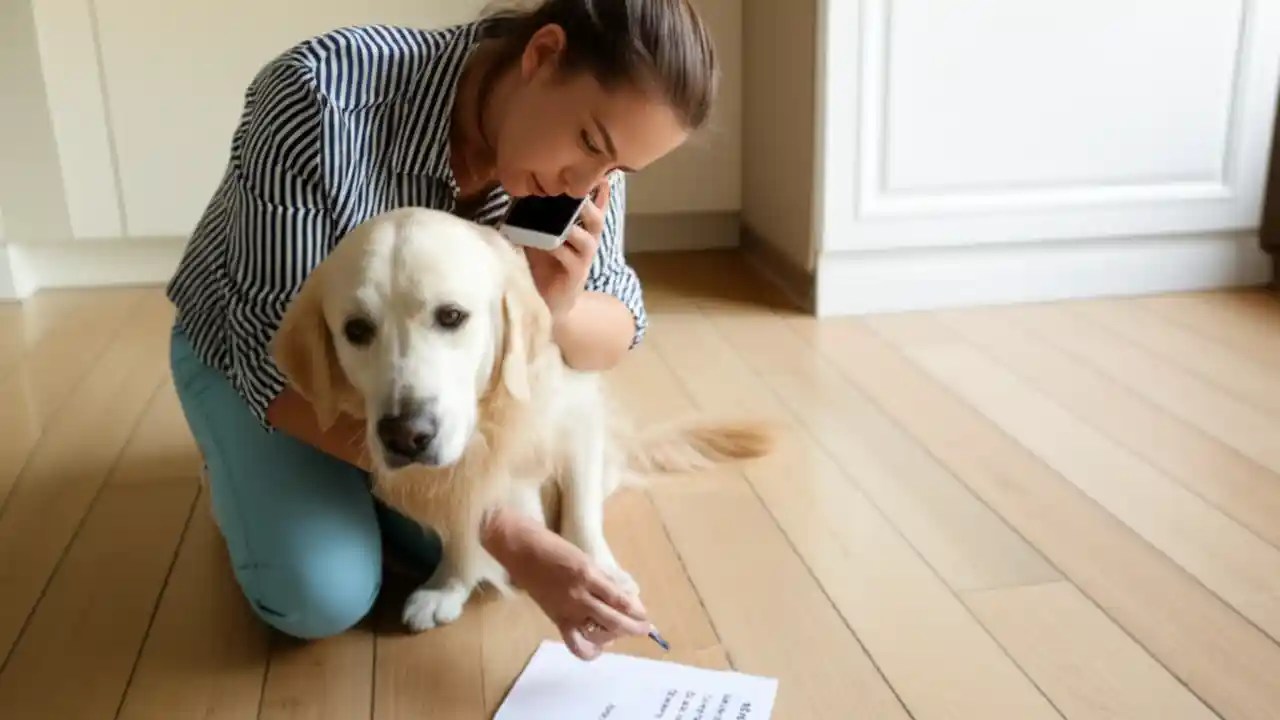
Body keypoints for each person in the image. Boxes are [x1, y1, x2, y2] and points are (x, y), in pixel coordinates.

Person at [164, 0, 718, 661]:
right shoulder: (317, 99)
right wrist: (505, 532)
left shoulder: (582, 166)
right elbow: (266, 354)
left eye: (617, 170)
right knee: (321, 596)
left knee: (464, 546)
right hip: (265, 364)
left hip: (414, 390)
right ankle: (241, 468)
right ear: (541, 56)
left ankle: (369, 496)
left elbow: (620, 323)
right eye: (592, 145)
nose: (587, 182)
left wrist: (555, 308)